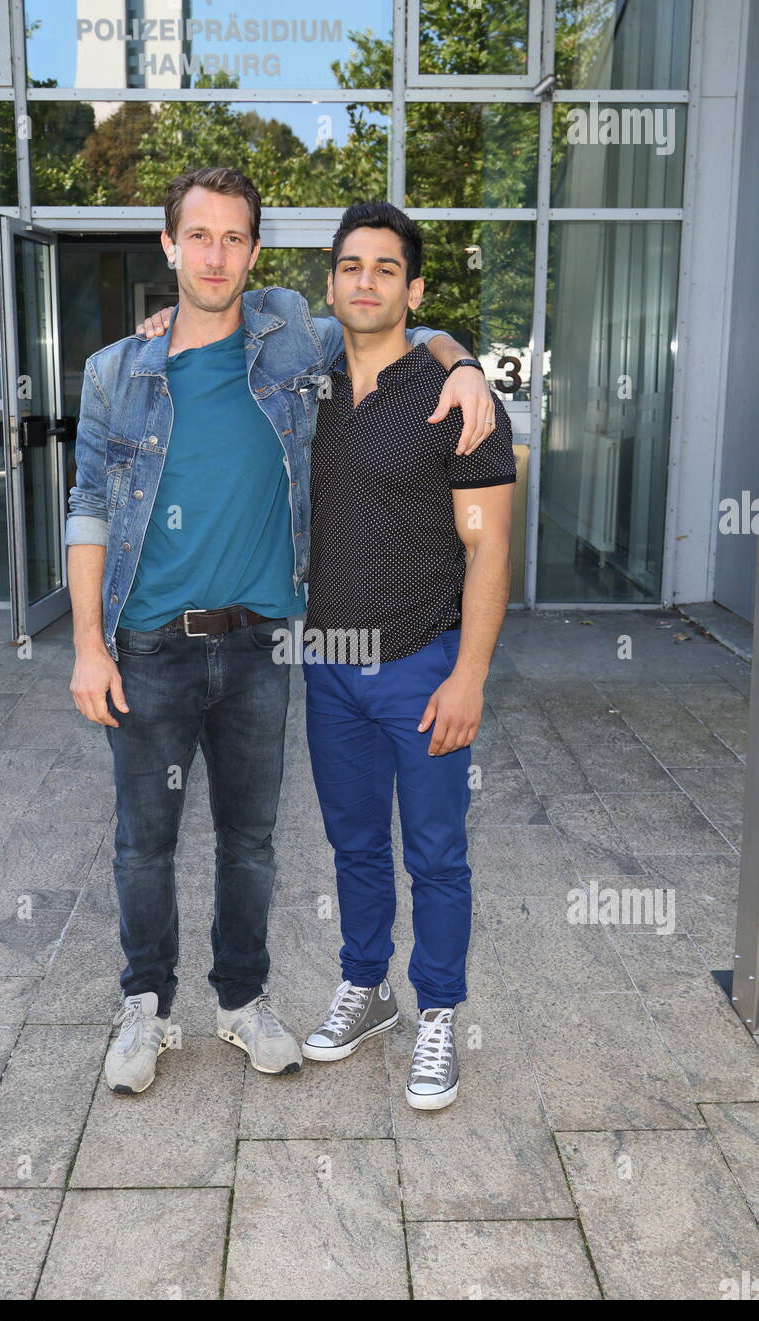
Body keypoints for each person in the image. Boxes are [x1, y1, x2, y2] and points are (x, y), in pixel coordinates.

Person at [66, 167, 496, 1095]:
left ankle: (244, 1001)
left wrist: (461, 359)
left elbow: (392, 323)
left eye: (235, 239)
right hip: (147, 645)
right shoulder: (116, 374)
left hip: (265, 646)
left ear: (255, 253)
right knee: (145, 842)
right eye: (200, 237)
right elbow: (90, 510)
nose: (216, 256)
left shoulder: (286, 344)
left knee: (252, 841)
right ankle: (144, 1006)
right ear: (169, 246)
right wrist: (88, 647)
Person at [298, 202, 516, 1110]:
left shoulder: (457, 402)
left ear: (413, 290)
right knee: (353, 846)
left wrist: (469, 673)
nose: (366, 282)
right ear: (333, 282)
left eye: (386, 269)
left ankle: (438, 1014)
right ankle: (367, 989)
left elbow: (490, 548)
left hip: (425, 662)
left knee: (436, 855)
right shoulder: (306, 386)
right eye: (352, 266)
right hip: (326, 662)